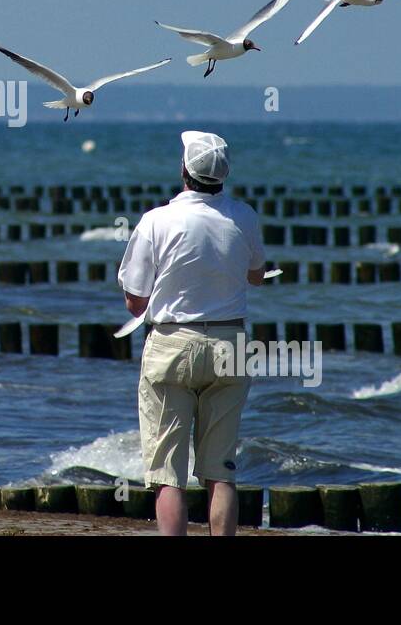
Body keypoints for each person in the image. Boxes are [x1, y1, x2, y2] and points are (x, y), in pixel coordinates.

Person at [117, 131, 267, 536]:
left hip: (172, 343)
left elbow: (135, 301)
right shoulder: (245, 216)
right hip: (230, 344)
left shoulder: (156, 220)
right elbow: (257, 275)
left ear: (184, 170)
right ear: (224, 175)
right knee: (222, 470)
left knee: (169, 473)